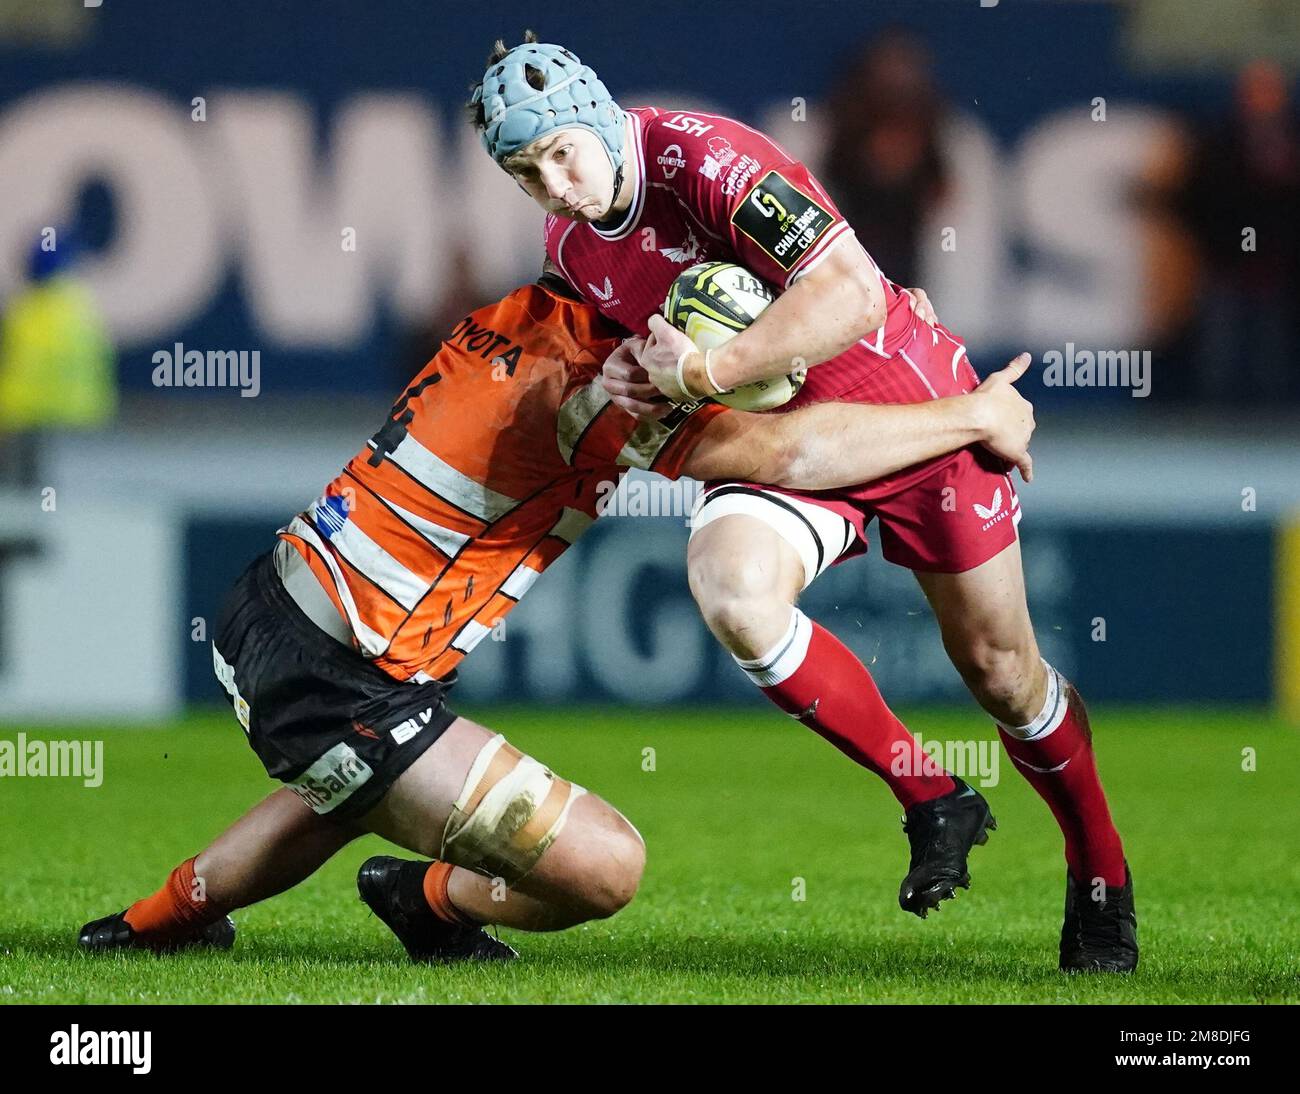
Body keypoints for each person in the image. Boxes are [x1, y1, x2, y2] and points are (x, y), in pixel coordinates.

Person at [78, 267, 1035, 963]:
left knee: (347, 786)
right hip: (348, 672)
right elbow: (792, 456)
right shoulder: (614, 397)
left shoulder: (529, 309)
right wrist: (969, 414)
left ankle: (156, 924)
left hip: (272, 607)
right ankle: (430, 898)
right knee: (605, 868)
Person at [469, 33, 1136, 971]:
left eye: (561, 153)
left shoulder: (703, 158)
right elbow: (642, 354)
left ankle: (1099, 867)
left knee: (1001, 672)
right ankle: (930, 793)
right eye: (529, 173)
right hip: (786, 450)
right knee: (733, 590)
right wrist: (633, 369)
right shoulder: (570, 245)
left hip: (912, 413)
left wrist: (705, 366)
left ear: (595, 112)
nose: (557, 185)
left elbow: (856, 297)